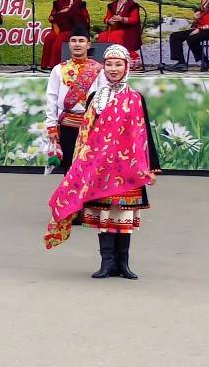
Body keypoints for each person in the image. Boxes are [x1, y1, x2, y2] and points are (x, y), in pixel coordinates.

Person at [44, 45, 160, 280]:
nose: (113, 69)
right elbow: (85, 134)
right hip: (100, 168)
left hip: (128, 169)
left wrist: (151, 167)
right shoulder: (95, 98)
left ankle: (123, 264)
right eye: (109, 64)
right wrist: (80, 164)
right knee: (105, 217)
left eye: (118, 64)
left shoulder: (136, 98)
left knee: (124, 216)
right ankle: (107, 263)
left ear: (126, 67)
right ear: (103, 67)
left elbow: (144, 133)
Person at [44, 24, 104, 176]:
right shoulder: (58, 69)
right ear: (69, 44)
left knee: (90, 167)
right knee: (69, 168)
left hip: (90, 124)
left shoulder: (99, 69)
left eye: (81, 41)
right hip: (67, 125)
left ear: (88, 44)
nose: (77, 44)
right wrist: (51, 126)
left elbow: (104, 98)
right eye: (74, 41)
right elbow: (51, 98)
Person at [41, 0, 89, 70]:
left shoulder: (77, 1)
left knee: (59, 41)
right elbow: (52, 16)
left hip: (72, 30)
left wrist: (68, 14)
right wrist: (55, 16)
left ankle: (55, 66)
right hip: (59, 29)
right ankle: (46, 64)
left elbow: (83, 18)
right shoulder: (57, 3)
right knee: (49, 38)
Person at [96, 0, 142, 71]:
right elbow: (106, 18)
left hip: (129, 31)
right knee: (102, 35)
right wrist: (109, 21)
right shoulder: (112, 5)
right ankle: (107, 60)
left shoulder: (133, 5)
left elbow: (134, 20)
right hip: (115, 29)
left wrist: (121, 19)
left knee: (115, 35)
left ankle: (125, 60)